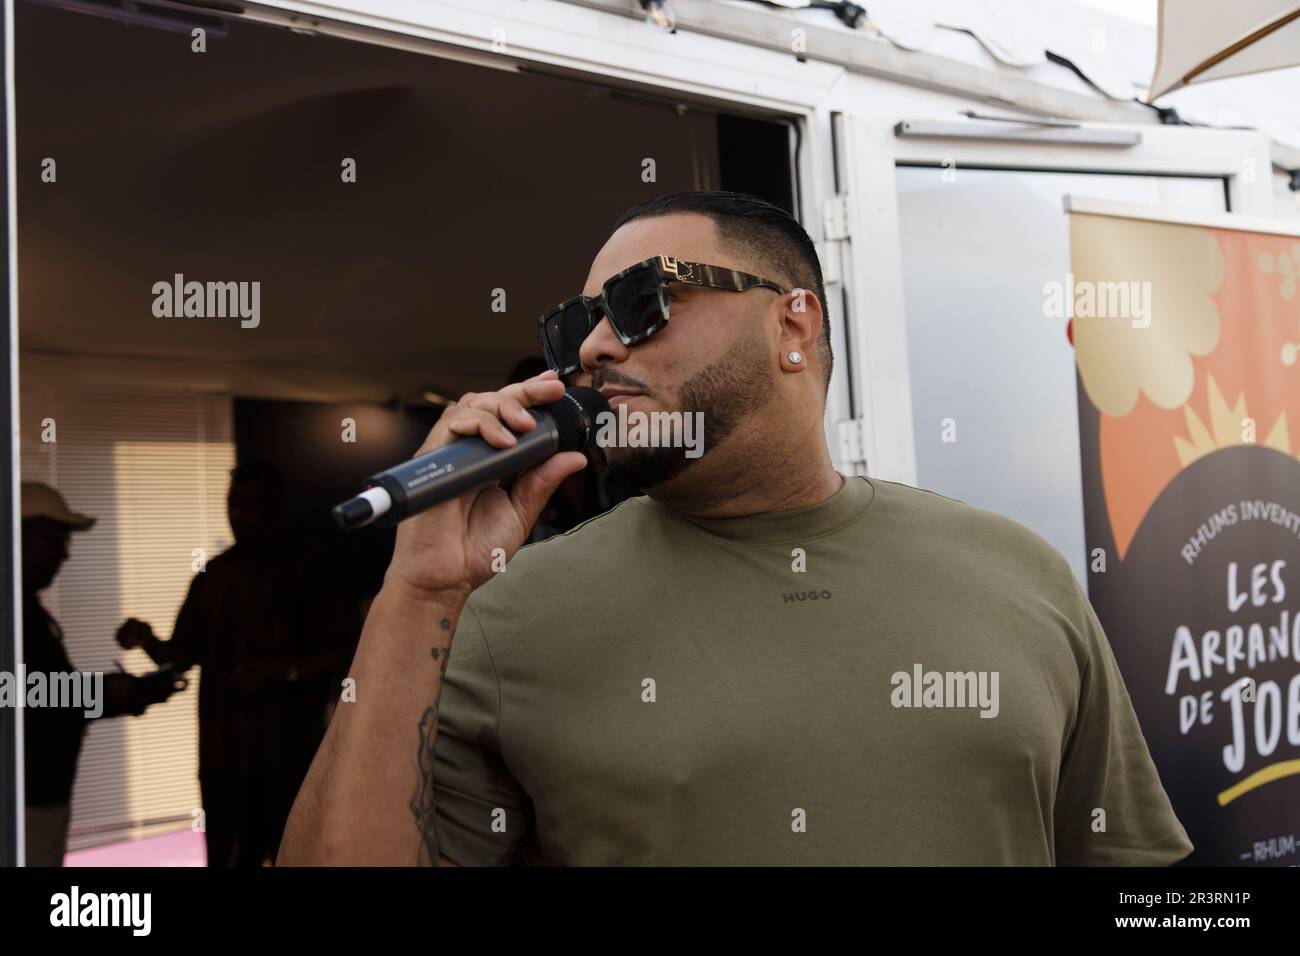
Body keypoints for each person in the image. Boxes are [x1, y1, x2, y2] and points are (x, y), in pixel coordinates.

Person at [278, 190, 1193, 866]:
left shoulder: (1019, 572)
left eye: (641, 300)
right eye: (578, 326)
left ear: (793, 324)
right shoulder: (504, 616)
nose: (598, 346)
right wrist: (419, 590)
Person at [118, 462, 358, 866]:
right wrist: (146, 640)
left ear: (277, 508)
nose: (241, 515)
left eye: (253, 504)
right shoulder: (213, 576)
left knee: (297, 854)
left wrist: (281, 672)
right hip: (222, 759)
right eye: (234, 504)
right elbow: (181, 655)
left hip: (290, 756)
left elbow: (345, 654)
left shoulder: (309, 570)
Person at [21, 482, 183, 867]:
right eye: (56, 539)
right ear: (18, 534)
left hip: (44, 796)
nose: (65, 554)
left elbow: (44, 698)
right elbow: (17, 693)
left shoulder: (25, 610)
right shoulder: (11, 615)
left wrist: (119, 695)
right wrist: (104, 692)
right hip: (26, 802)